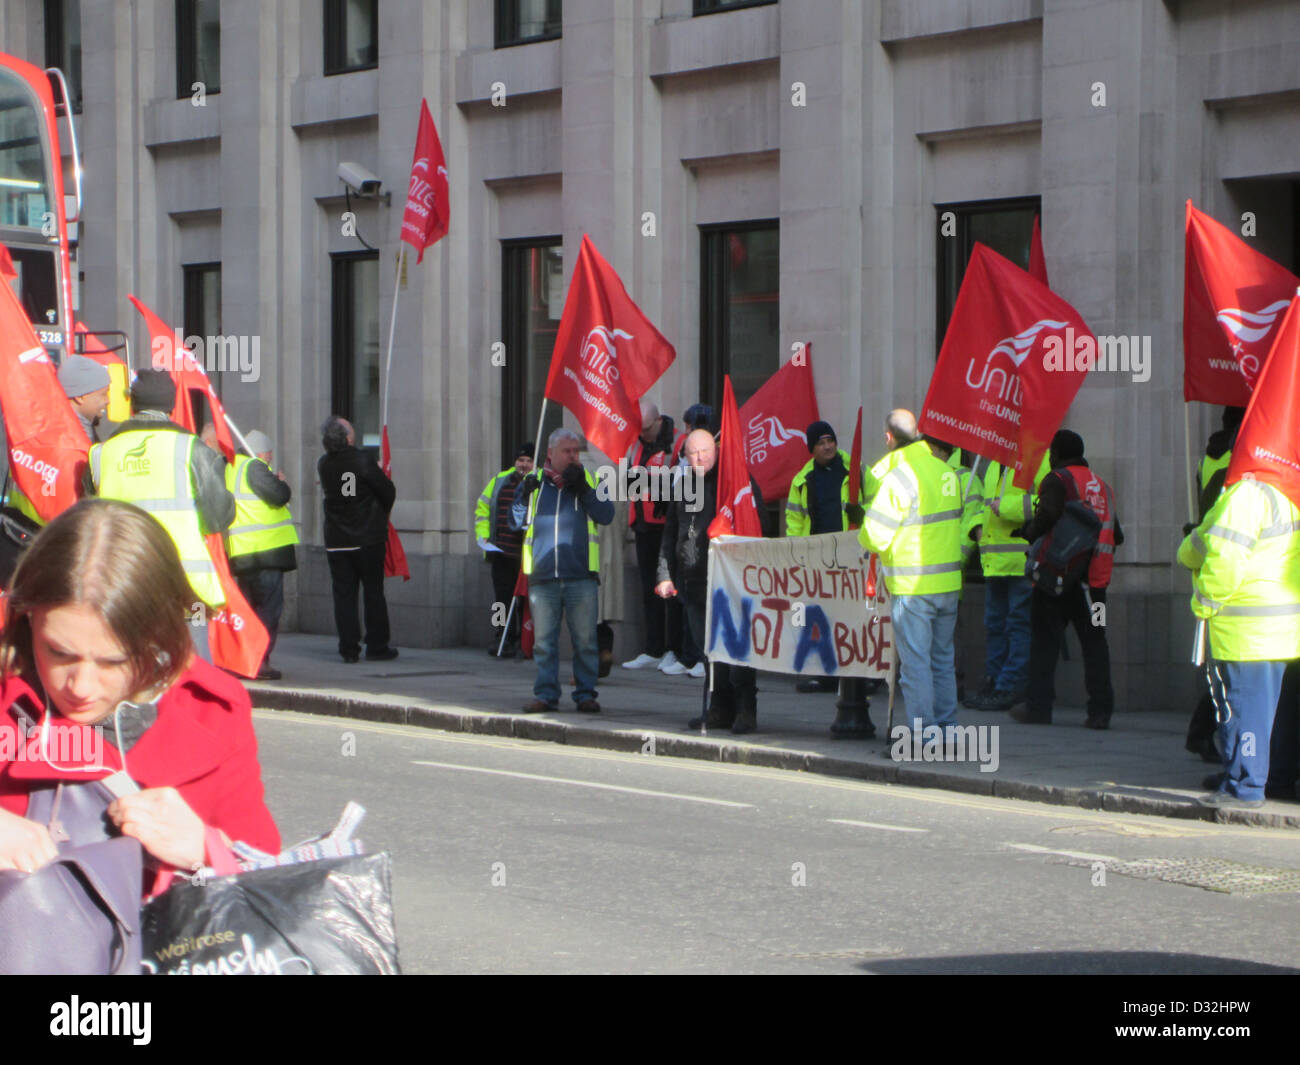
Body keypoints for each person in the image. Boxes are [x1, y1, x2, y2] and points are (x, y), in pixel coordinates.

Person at [0, 499, 279, 892]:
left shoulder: (213, 710)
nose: (80, 686)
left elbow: (264, 885)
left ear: (157, 638)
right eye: (59, 653)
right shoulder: (7, 696)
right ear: (28, 616)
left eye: (113, 662)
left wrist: (205, 850)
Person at [87, 369, 234, 664]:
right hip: (184, 586)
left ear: (132, 404)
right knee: (192, 678)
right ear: (171, 405)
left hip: (123, 581)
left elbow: (88, 518)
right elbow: (219, 517)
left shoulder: (102, 453)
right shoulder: (191, 449)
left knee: (129, 672)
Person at [1178, 473, 1300, 808]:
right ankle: (1255, 776)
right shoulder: (1288, 492)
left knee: (1241, 711)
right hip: (1279, 630)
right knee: (1267, 712)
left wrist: (1204, 602)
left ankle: (1244, 786)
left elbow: (1223, 558)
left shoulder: (1246, 496)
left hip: (1245, 630)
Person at [656, 429, 772, 734]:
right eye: (691, 454)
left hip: (731, 583)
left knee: (737, 646)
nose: (697, 459)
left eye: (703, 452)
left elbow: (758, 521)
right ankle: (718, 708)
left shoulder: (735, 481)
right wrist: (665, 575)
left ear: (716, 451)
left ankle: (746, 709)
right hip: (693, 583)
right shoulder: (682, 487)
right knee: (708, 649)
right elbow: (670, 535)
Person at [1011, 430, 1122, 728]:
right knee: (1096, 642)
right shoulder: (1104, 487)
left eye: (1050, 453)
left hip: (1056, 583)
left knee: (1045, 643)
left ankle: (1038, 708)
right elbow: (1117, 534)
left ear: (1056, 454)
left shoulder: (1057, 480)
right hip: (1096, 587)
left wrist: (1028, 532)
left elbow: (1047, 515)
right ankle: (1100, 711)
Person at [859, 427, 964, 735]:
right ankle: (947, 729)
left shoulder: (900, 478)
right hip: (947, 583)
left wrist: (864, 522)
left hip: (912, 585)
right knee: (943, 660)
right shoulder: (949, 475)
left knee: (916, 664)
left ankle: (922, 734)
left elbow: (875, 536)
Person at [511, 428, 614, 713]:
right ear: (551, 454)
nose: (572, 456)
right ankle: (545, 694)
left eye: (576, 451)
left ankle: (585, 694)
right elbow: (514, 523)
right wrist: (522, 497)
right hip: (543, 575)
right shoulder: (535, 482)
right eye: (567, 451)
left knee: (585, 641)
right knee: (544, 643)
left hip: (580, 574)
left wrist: (583, 488)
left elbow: (606, 515)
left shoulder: (588, 478)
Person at [964, 452, 1051, 712]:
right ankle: (994, 681)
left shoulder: (1039, 457)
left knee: (1016, 626)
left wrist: (1007, 507)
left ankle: (1010, 686)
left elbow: (1046, 504)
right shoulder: (994, 463)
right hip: (994, 562)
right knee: (995, 626)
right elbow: (984, 506)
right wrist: (977, 526)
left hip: (1020, 562)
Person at [1184, 406, 1245, 762]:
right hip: (1226, 562)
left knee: (1220, 663)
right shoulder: (1233, 463)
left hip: (1208, 555)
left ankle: (1202, 733)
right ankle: (1206, 733)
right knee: (1225, 664)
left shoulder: (1209, 458)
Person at [318, 415, 398, 664]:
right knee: (373, 592)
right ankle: (377, 644)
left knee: (344, 595)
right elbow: (387, 491)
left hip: (337, 537)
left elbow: (345, 490)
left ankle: (348, 647)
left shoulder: (324, 463)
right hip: (366, 536)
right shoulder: (362, 460)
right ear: (348, 438)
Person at [621, 401, 693, 676]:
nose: (644, 435)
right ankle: (653, 648)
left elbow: (684, 480)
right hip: (643, 525)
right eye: (641, 431)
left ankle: (672, 649)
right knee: (648, 589)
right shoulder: (637, 443)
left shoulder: (677, 442)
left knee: (670, 590)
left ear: (658, 422)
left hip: (667, 526)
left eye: (647, 429)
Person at [225, 429, 298, 681]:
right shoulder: (254, 467)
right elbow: (279, 495)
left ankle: (245, 659)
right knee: (268, 610)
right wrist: (281, 481)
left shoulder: (232, 468)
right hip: (264, 550)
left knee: (250, 610)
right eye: (268, 454)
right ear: (261, 452)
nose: (269, 458)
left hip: (244, 551)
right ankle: (260, 661)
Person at [474, 444, 534, 655]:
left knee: (524, 602)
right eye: (521, 460)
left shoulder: (537, 483)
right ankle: (501, 636)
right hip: (500, 552)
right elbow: (483, 508)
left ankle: (523, 641)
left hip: (525, 555)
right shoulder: (499, 480)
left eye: (528, 461)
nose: (524, 465)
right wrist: (484, 536)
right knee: (500, 601)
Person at [57, 355, 112, 443]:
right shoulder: (69, 442)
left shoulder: (77, 432)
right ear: (80, 397)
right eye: (103, 394)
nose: (108, 401)